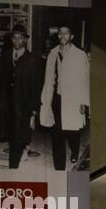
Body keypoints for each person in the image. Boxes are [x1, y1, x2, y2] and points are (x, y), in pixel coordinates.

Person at [40, 24, 90, 170]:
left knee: (73, 131)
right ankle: (59, 168)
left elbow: (85, 80)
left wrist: (83, 102)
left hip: (73, 99)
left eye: (66, 33)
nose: (62, 36)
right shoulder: (53, 53)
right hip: (56, 98)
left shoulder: (80, 55)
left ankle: (74, 150)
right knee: (57, 134)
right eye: (60, 33)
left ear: (72, 36)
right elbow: (48, 78)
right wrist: (45, 100)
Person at [0, 24, 43, 168]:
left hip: (23, 105)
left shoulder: (33, 60)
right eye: (14, 38)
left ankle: (14, 164)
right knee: (10, 133)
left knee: (19, 135)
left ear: (25, 40)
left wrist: (35, 109)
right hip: (7, 103)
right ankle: (19, 152)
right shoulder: (5, 56)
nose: (17, 41)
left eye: (20, 38)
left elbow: (37, 87)